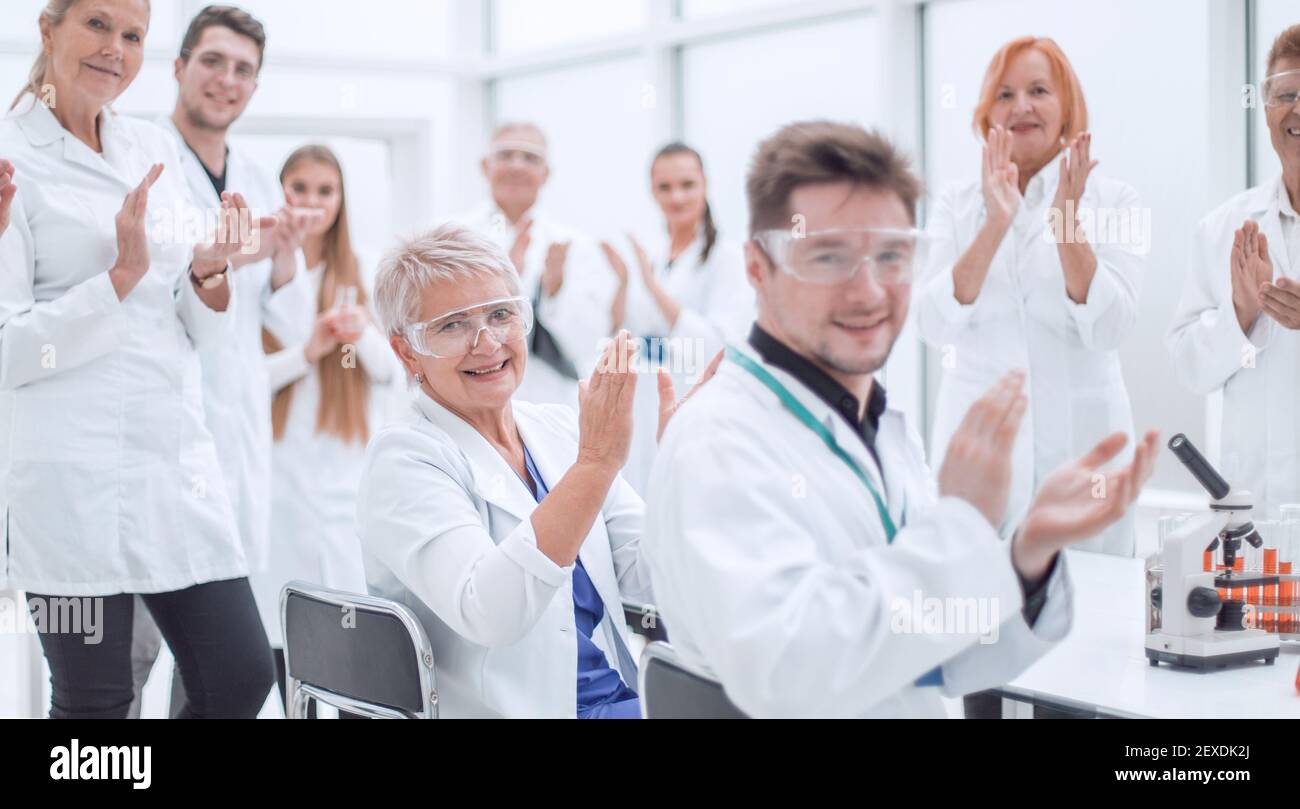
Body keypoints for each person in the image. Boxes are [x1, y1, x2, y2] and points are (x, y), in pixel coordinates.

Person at [640, 121, 1158, 718]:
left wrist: (1025, 557)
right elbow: (788, 671)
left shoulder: (882, 427)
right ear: (757, 266)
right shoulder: (719, 441)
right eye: (828, 256)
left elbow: (933, 657)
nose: (869, 292)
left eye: (891, 256)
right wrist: (961, 524)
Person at [0, 0, 275, 718]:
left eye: (132, 35)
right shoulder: (9, 159)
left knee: (241, 675)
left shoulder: (150, 149)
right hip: (71, 483)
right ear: (48, 28)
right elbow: (8, 350)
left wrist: (209, 272)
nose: (114, 49)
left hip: (173, 470)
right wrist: (116, 281)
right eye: (96, 24)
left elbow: (189, 325)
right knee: (96, 698)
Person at [359, 223, 707, 718]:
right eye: (452, 325)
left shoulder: (558, 430)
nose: (487, 342)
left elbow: (652, 578)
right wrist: (596, 465)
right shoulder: (403, 461)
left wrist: (687, 476)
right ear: (406, 351)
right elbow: (490, 613)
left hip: (618, 700)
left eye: (501, 314)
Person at [127, 3, 321, 720]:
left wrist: (286, 248)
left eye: (243, 69)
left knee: (221, 664)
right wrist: (216, 256)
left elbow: (286, 322)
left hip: (234, 439)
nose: (226, 79)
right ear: (179, 67)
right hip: (157, 441)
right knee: (131, 660)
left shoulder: (261, 178)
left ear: (254, 87)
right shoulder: (141, 159)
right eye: (212, 61)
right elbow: (150, 294)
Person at [914, 37, 1144, 556]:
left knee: (1096, 612)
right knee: (981, 612)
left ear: (1066, 109)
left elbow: (1112, 327)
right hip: (981, 454)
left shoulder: (1114, 198)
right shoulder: (957, 203)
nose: (1021, 106)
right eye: (1004, 94)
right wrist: (996, 221)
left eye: (1039, 90)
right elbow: (930, 324)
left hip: (1087, 448)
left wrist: (1066, 220)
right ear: (986, 115)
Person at [249, 144, 402, 716]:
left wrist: (357, 334)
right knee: (282, 646)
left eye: (325, 191)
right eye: (299, 188)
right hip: (275, 485)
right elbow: (240, 382)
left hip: (342, 487)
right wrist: (307, 351)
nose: (312, 202)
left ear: (342, 200)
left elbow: (391, 373)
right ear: (280, 191)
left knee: (348, 652)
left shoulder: (363, 269)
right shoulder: (258, 273)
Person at [1168, 23, 1300, 519]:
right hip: (1252, 515)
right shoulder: (1221, 228)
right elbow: (1188, 367)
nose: (1298, 109)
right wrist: (1239, 315)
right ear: (1267, 110)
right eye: (1286, 94)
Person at [603, 142, 754, 492]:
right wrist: (626, 282)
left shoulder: (726, 258)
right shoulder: (653, 255)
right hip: (644, 403)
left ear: (705, 185)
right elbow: (627, 334)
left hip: (699, 402)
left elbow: (716, 344)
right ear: (652, 191)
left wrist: (653, 286)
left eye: (687, 185)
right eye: (665, 187)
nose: (677, 197)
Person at [455, 122, 617, 408]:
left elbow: (588, 341)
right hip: (470, 402)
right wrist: (504, 285)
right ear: (485, 166)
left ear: (546, 174)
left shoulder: (574, 246)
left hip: (550, 405)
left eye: (530, 158)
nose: (517, 166)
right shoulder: (452, 239)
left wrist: (553, 294)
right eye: (506, 155)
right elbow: (444, 324)